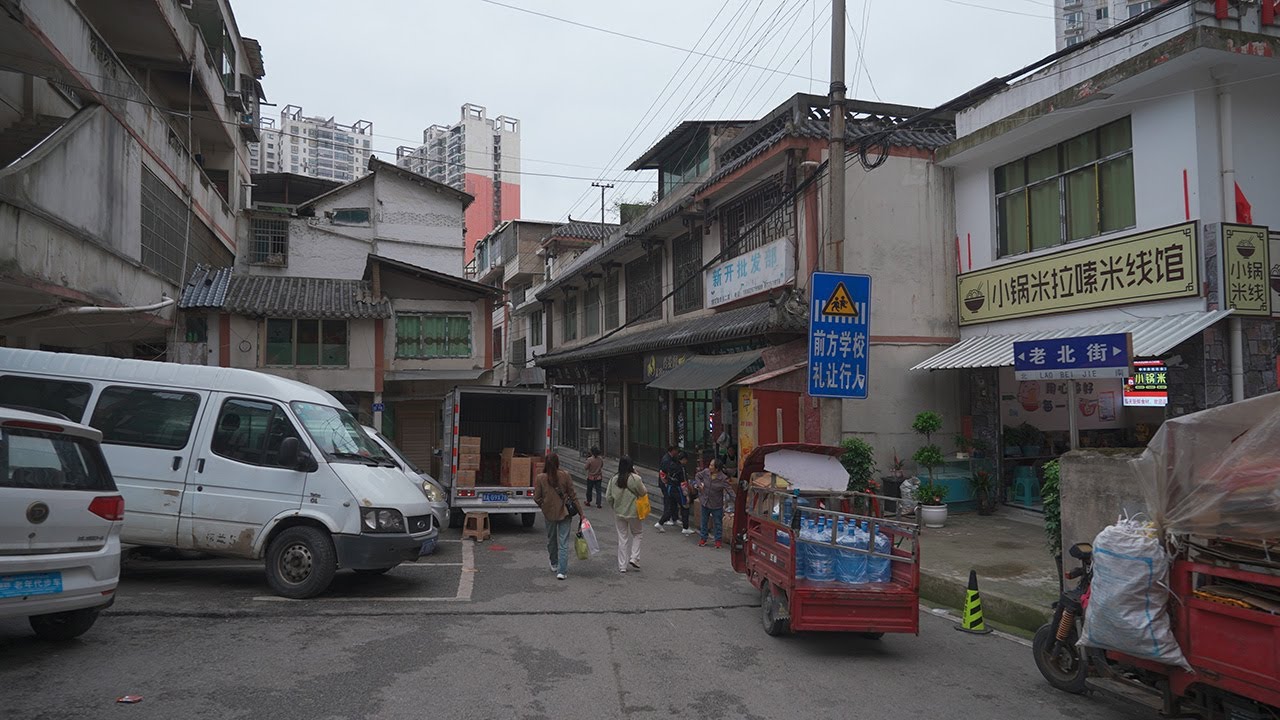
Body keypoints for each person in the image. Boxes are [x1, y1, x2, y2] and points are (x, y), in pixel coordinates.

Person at [533, 453, 584, 580]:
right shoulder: (565, 475)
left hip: (549, 513)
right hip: (565, 512)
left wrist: (544, 506)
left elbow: (536, 497)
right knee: (564, 542)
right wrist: (581, 513)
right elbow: (573, 495)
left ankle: (554, 562)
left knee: (551, 539)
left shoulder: (540, 478)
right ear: (558, 463)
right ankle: (562, 571)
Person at [606, 456, 646, 573]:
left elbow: (608, 497)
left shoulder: (614, 479)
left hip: (619, 512)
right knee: (637, 534)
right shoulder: (635, 478)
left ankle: (622, 566)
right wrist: (638, 475)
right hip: (634, 512)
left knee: (622, 538)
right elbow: (643, 492)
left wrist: (614, 506)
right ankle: (634, 558)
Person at [695, 456, 731, 548]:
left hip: (716, 504)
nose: (709, 466)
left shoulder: (723, 478)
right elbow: (697, 476)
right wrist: (699, 485)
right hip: (705, 501)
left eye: (711, 465)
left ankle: (718, 540)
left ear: (717, 468)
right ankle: (703, 538)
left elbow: (730, 491)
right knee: (704, 522)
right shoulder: (706, 472)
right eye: (710, 465)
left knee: (717, 523)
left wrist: (737, 501)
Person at [656, 445, 685, 531]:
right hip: (667, 484)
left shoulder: (670, 458)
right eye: (676, 450)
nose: (677, 452)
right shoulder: (666, 460)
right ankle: (667, 518)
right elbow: (664, 472)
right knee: (668, 501)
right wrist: (666, 482)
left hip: (669, 484)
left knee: (672, 502)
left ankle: (674, 518)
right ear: (672, 450)